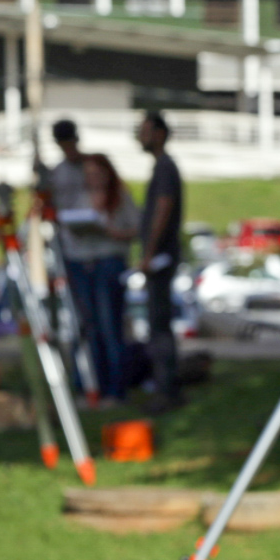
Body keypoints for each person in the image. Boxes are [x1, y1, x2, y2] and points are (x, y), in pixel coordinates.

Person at [42, 120, 137, 402]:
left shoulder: (119, 198)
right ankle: (87, 386)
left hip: (108, 262)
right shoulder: (71, 188)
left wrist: (109, 231)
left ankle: (115, 389)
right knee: (86, 327)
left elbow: (135, 229)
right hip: (79, 261)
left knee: (110, 327)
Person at [135, 111, 183, 411]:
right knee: (159, 325)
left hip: (161, 259)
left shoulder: (165, 166)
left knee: (159, 327)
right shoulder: (161, 166)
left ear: (160, 133)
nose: (140, 136)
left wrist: (149, 252)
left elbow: (163, 208)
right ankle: (167, 388)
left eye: (145, 130)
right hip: (159, 256)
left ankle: (166, 392)